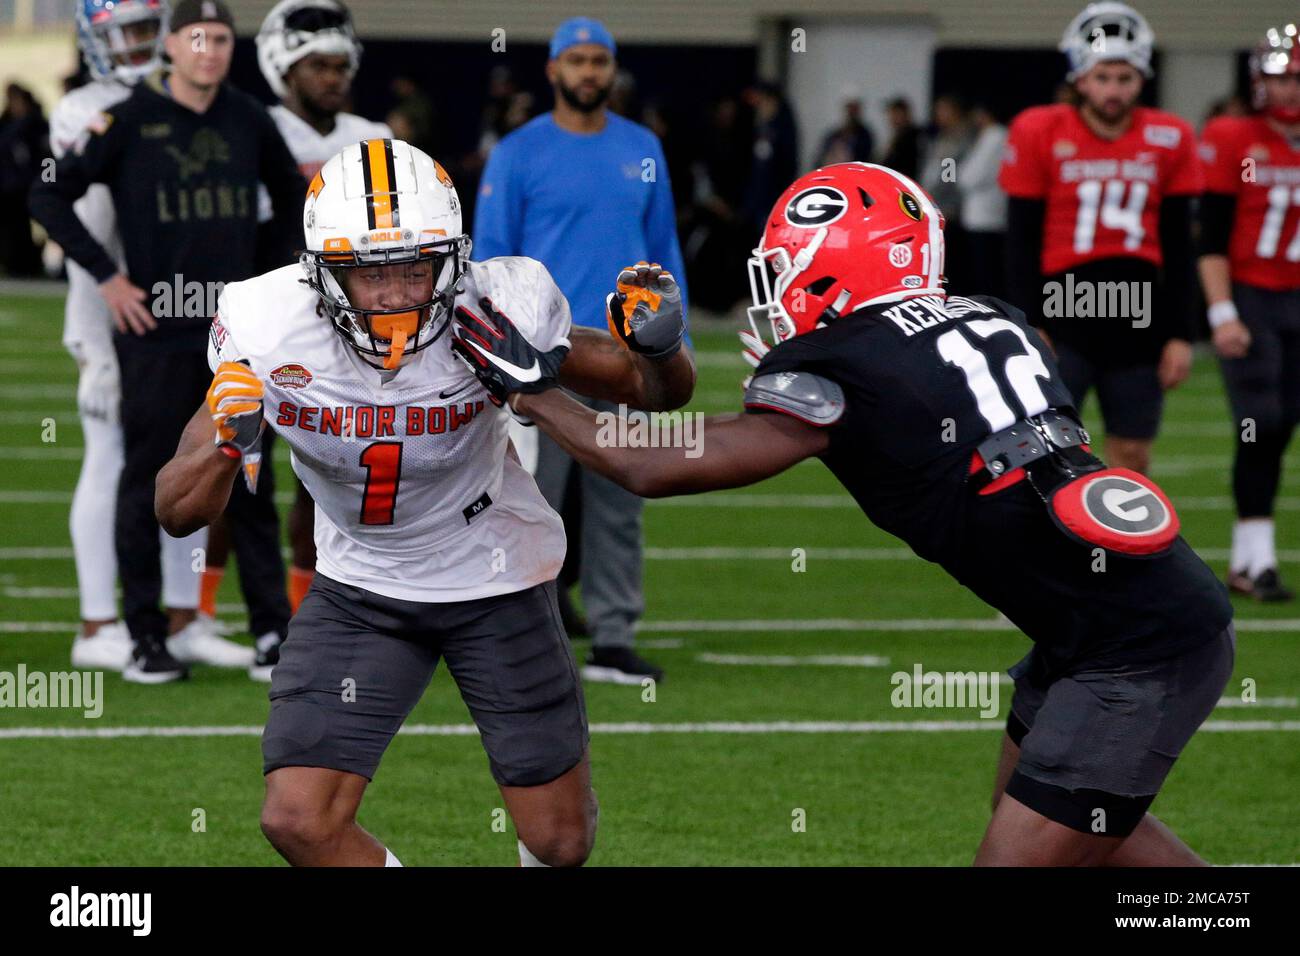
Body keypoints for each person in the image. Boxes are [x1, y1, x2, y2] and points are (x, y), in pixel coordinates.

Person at [461, 161, 1236, 867]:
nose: (777, 290)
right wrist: (657, 362)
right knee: (1066, 819)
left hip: (1131, 646)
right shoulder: (995, 317)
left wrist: (529, 390)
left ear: (840, 264)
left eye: (791, 266)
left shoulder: (846, 362)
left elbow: (650, 461)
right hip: (1109, 618)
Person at [153, 138, 695, 866]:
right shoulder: (266, 324)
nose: (397, 294)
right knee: (298, 820)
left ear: (454, 258)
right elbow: (176, 511)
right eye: (368, 274)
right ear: (319, 273)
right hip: (360, 584)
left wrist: (662, 347)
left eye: (417, 268)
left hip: (496, 573)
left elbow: (653, 393)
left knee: (561, 841)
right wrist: (225, 442)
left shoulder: (501, 302)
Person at [29, 0, 305, 683]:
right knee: (143, 478)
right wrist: (109, 279)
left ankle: (273, 630)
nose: (209, 50)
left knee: (247, 476)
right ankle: (145, 635)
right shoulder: (127, 118)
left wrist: (264, 281)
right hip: (153, 333)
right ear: (173, 48)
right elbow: (47, 196)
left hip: (233, 333)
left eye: (219, 38)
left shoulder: (249, 118)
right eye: (196, 38)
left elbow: (294, 206)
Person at [474, 16, 689, 684]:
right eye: (578, 61)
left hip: (626, 359)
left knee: (623, 498)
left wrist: (666, 344)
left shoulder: (643, 146)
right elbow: (489, 261)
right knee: (530, 500)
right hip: (544, 355)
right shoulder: (517, 152)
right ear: (554, 71)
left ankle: (615, 636)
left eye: (600, 61)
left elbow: (663, 249)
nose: (589, 72)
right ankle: (523, 637)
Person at [180, 0, 393, 623]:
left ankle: (302, 614)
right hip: (269, 319)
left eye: (339, 66)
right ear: (283, 68)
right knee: (237, 460)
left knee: (329, 472)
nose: (333, 78)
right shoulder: (252, 125)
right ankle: (201, 607)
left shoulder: (372, 137)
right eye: (318, 66)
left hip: (352, 328)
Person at [53, 0, 215, 672]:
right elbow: (85, 236)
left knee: (185, 459)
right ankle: (96, 623)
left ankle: (182, 616)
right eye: (126, 36)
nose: (139, 48)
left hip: (179, 318)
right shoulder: (85, 110)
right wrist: (94, 346)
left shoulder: (182, 102)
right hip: (118, 320)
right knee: (110, 459)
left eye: (149, 31)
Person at [1000, 2, 1201, 476]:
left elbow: (1179, 242)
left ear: (1143, 77)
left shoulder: (1169, 136)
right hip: (1063, 306)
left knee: (1132, 454)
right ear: (1080, 77)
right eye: (1103, 77)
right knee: (1043, 447)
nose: (1113, 90)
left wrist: (1180, 332)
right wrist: (1029, 323)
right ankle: (1047, 548)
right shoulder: (1039, 129)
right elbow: (1020, 239)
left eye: (1125, 78)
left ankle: (1121, 550)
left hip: (1137, 309)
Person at [1198, 22, 1300, 601]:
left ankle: (1248, 558)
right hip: (1254, 295)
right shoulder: (1235, 137)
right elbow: (1209, 235)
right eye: (1279, 78)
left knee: (1282, 425)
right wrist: (1221, 313)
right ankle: (1257, 561)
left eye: (1297, 79)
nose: (1288, 90)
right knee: (1259, 425)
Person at [957, 102, 1009, 298]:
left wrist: (958, 175)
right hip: (978, 214)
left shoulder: (993, 136)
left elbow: (969, 176)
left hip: (984, 216)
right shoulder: (986, 136)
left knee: (986, 274)